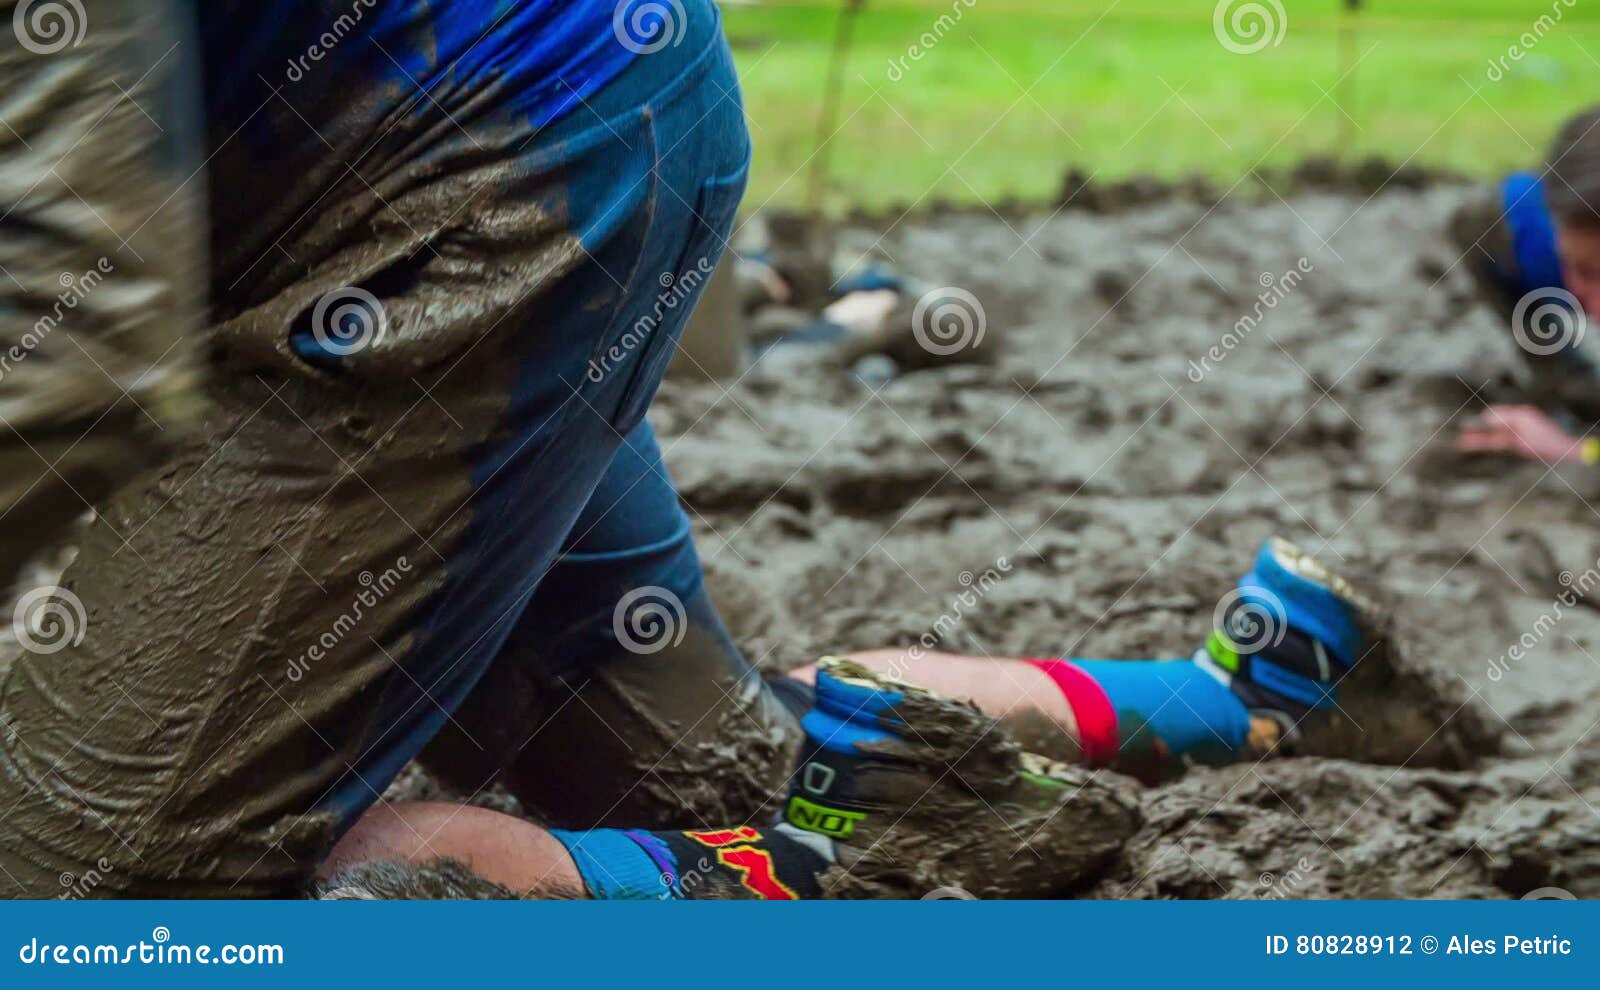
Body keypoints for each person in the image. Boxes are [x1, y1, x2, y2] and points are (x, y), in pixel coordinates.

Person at [0, 0, 1385, 900]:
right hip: (513, 135)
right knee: (730, 769)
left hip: (481, 179)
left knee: (73, 899)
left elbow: (66, 347)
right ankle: (1245, 693)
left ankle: (784, 869)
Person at [1451, 106, 1600, 465]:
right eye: (1582, 270)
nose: (1593, 306)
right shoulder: (1524, 221)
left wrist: (1572, 451)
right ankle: (1568, 388)